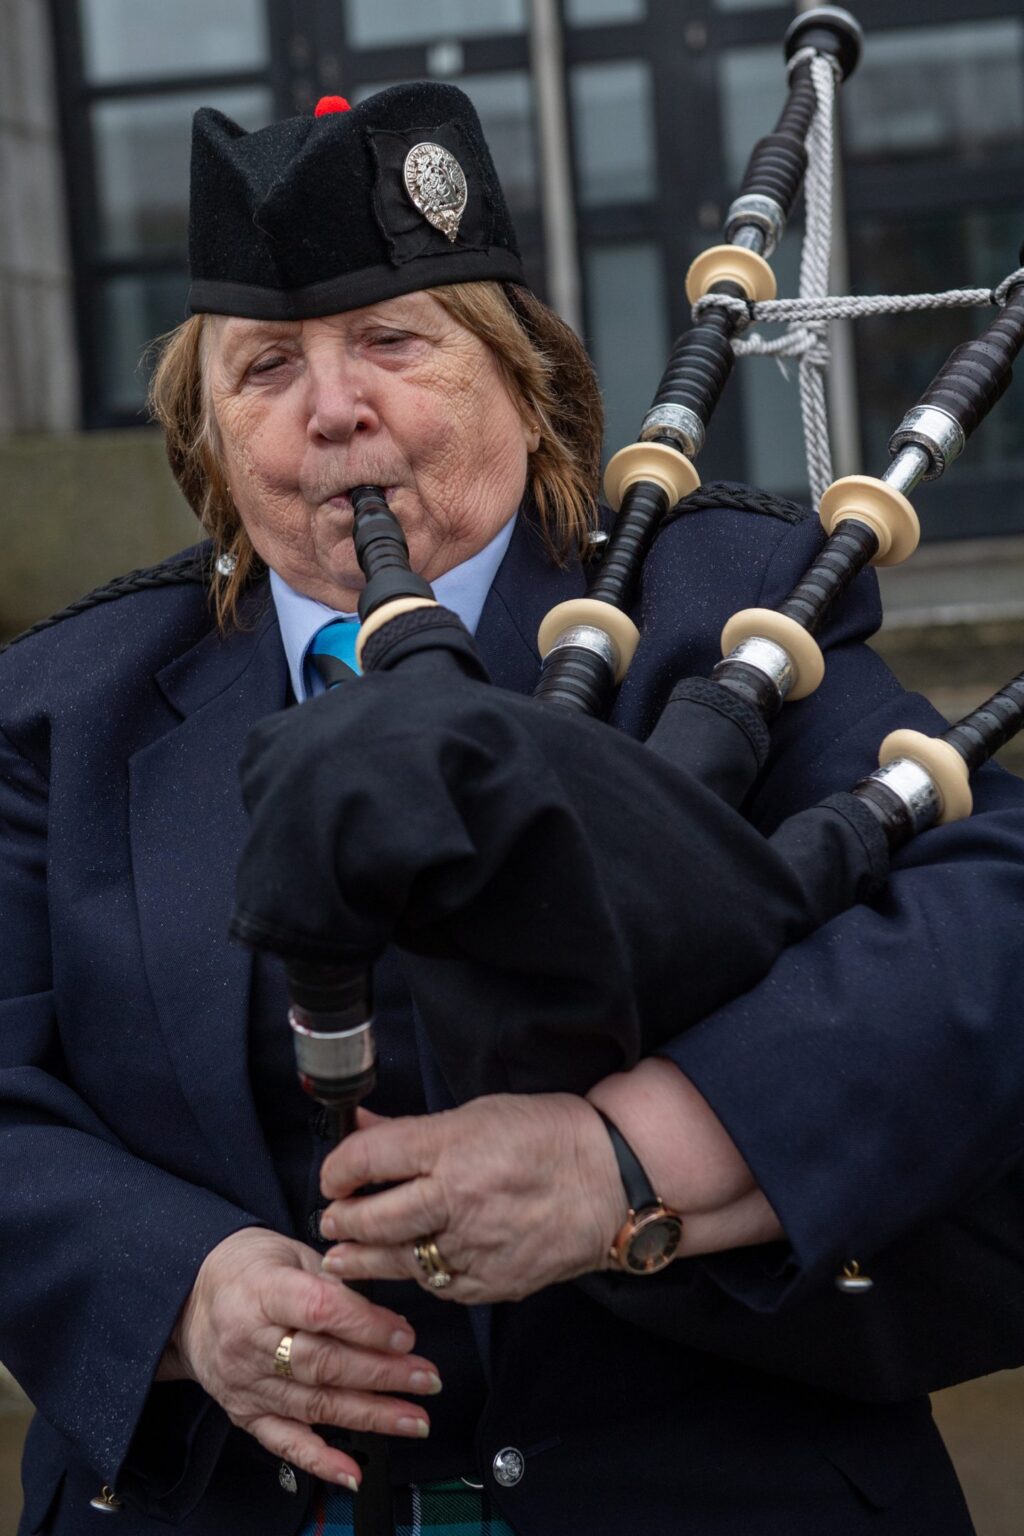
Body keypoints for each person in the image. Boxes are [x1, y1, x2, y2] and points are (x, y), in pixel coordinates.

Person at [3, 82, 1024, 1536]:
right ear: (211, 435)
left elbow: (992, 909)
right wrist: (178, 1290)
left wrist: (626, 1162)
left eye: (391, 344)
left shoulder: (716, 609)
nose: (333, 407)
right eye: (265, 368)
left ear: (525, 382)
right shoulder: (64, 706)